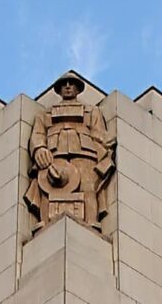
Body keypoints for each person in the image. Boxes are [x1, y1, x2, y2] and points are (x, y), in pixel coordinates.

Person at [24, 71, 115, 233]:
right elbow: (37, 135)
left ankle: (91, 221)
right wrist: (39, 149)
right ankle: (44, 221)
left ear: (78, 89)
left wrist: (107, 143)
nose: (67, 87)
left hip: (84, 153)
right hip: (53, 156)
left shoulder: (91, 111)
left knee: (88, 187)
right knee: (47, 188)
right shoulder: (45, 114)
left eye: (71, 84)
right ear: (58, 90)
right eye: (63, 85)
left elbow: (98, 133)